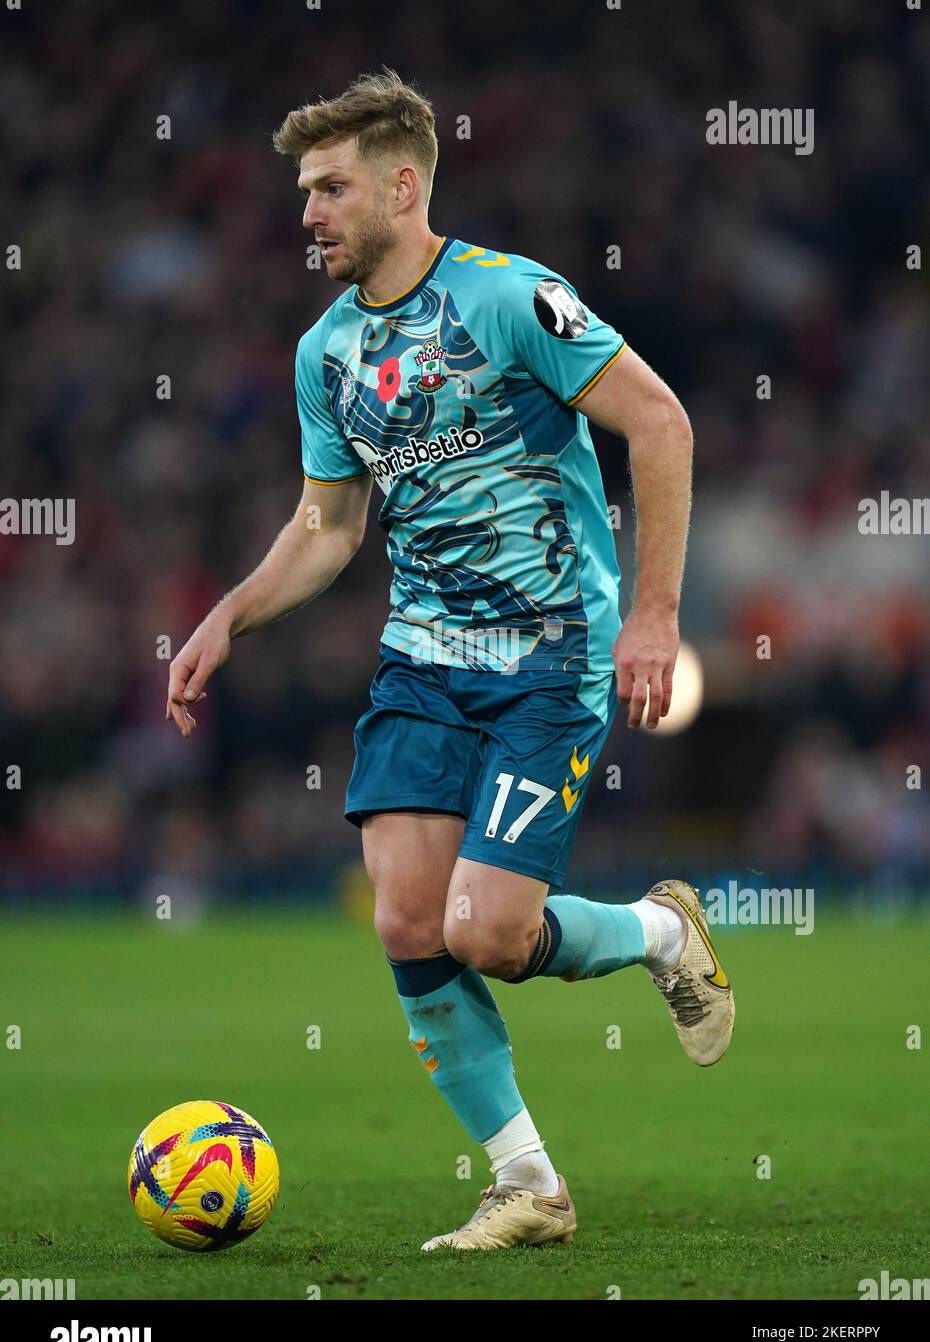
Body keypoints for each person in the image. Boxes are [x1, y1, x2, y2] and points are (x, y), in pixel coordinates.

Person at [167, 67, 734, 1251]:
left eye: (330, 188)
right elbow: (330, 526)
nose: (308, 213)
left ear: (403, 184)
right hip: (422, 664)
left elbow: (662, 420)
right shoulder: (326, 352)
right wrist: (231, 614)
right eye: (303, 192)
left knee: (485, 933)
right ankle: (529, 1182)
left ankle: (664, 932)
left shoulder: (511, 299)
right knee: (407, 923)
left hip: (550, 656)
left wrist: (654, 613)